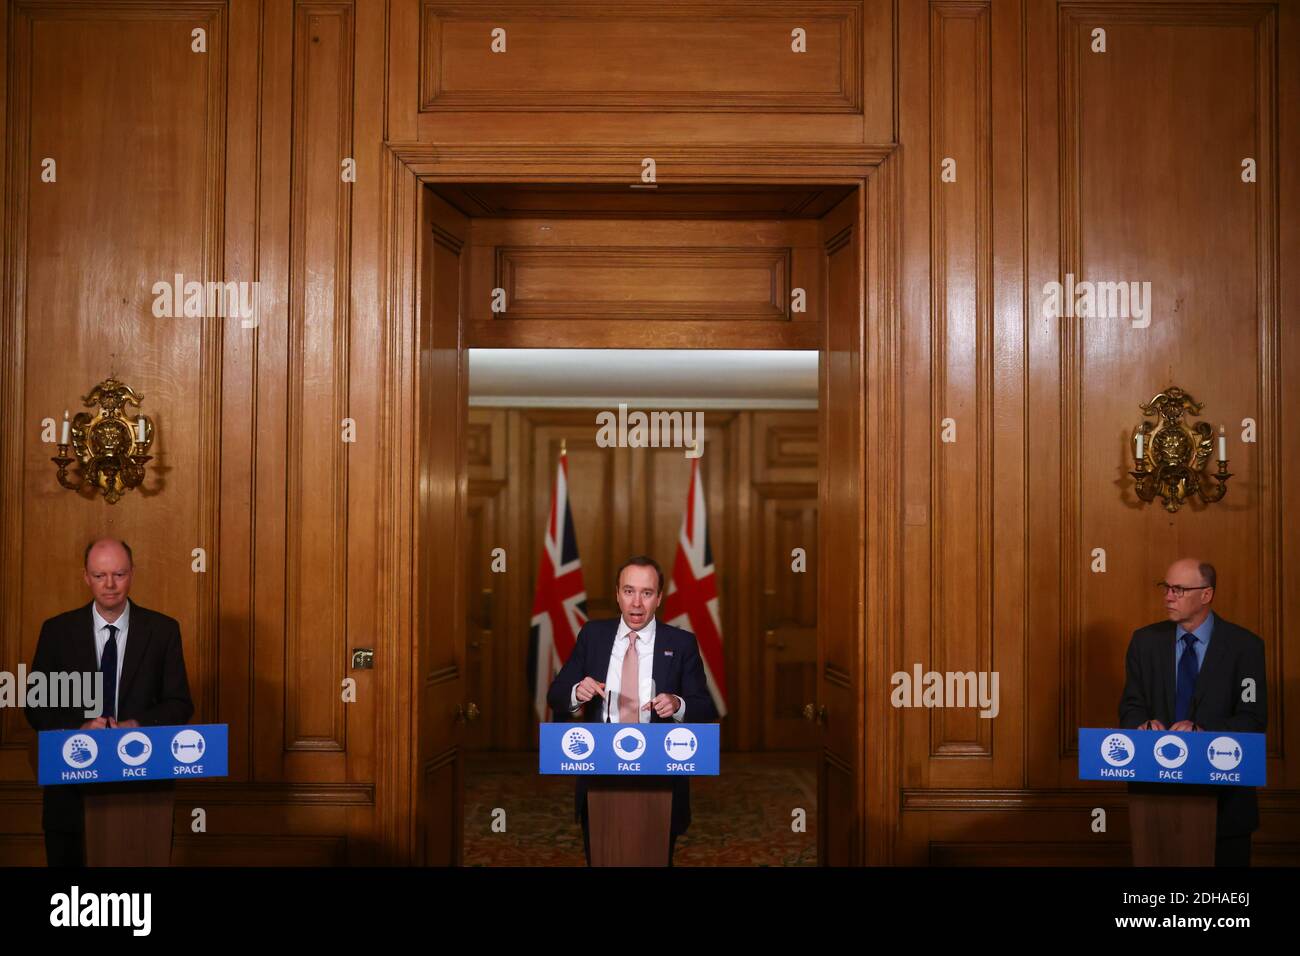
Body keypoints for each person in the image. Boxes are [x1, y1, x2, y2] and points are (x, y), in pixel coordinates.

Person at [24, 538, 194, 866]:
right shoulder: (57, 631)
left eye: (118, 574)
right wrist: (80, 728)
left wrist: (136, 726)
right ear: (86, 577)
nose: (110, 585)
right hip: (70, 793)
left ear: (132, 574)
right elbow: (36, 706)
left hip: (142, 792)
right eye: (100, 575)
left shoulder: (163, 631)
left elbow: (179, 703)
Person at [547, 555, 717, 865]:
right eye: (628, 591)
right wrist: (577, 691)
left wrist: (678, 704)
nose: (636, 603)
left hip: (660, 774)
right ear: (617, 594)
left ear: (659, 598)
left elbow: (705, 708)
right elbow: (556, 695)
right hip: (599, 770)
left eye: (646, 593)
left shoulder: (681, 643)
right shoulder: (593, 635)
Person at [1118, 558, 1267, 866]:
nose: (1168, 596)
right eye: (1166, 587)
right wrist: (1142, 726)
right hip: (1155, 801)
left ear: (1206, 595)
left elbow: (1252, 719)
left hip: (1226, 805)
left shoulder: (1245, 647)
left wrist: (1202, 732)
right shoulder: (1144, 642)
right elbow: (1131, 707)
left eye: (1179, 589)